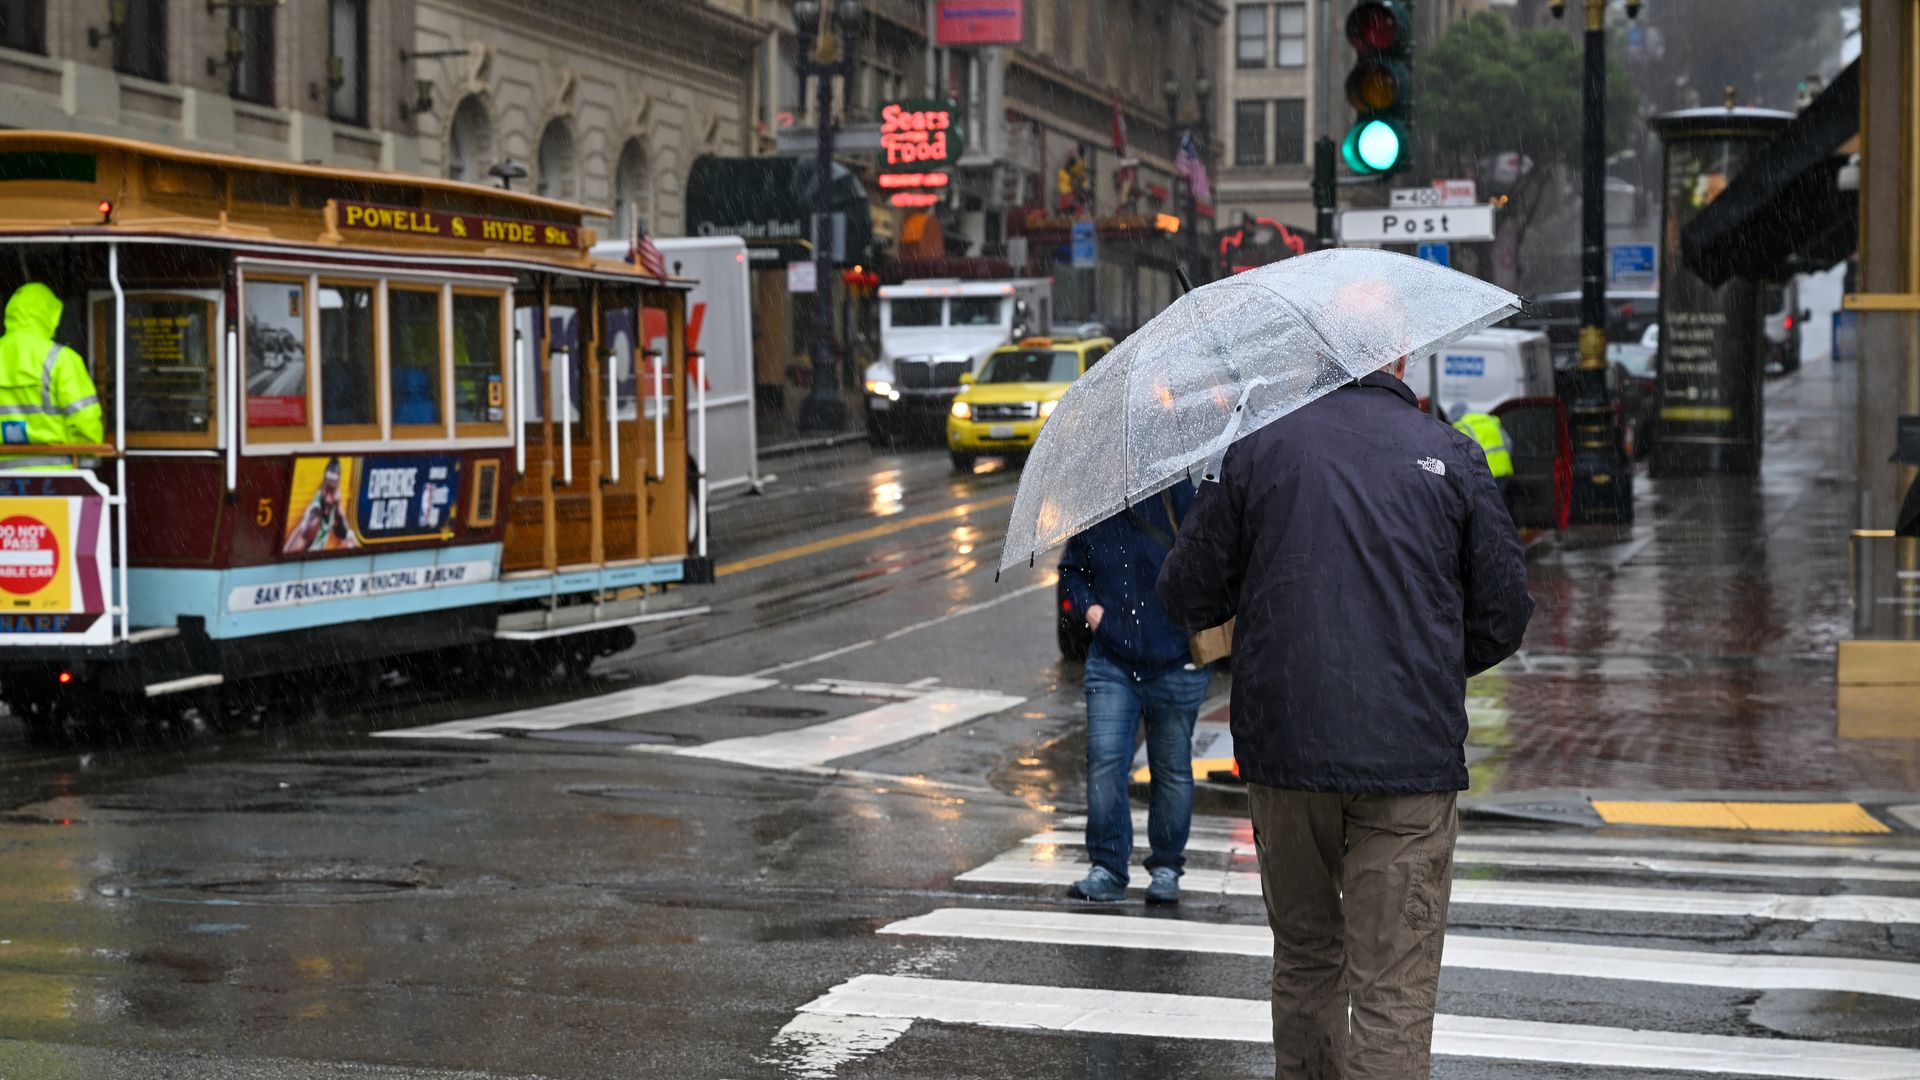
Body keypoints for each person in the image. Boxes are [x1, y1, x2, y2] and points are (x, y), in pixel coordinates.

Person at [1157, 356, 1533, 1079]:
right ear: (1398, 358)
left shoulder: (1258, 450)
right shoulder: (1451, 453)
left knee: (1305, 958)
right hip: (1408, 759)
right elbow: (1504, 612)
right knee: (1393, 983)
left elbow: (1185, 594)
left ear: (1316, 357)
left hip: (1286, 748)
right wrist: (1428, 667)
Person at [1058, 486, 1212, 906]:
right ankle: (1107, 867)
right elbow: (1072, 571)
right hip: (1112, 660)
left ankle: (1166, 868)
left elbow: (1214, 567)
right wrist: (1091, 610)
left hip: (1175, 659)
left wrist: (1181, 622)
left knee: (1172, 769)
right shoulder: (1095, 507)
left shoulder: (1182, 497)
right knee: (1105, 762)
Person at [0, 283, 102, 468]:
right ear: (47, 315)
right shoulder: (62, 360)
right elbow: (84, 420)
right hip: (55, 481)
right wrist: (87, 461)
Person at [283, 457, 360, 554]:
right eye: (327, 489)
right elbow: (289, 559)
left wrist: (348, 535)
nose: (328, 497)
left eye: (332, 490)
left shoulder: (335, 502)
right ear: (323, 485)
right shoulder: (313, 521)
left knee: (349, 544)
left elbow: (343, 532)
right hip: (301, 567)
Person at [1450, 403, 1514, 501]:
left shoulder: (1460, 426)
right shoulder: (1489, 419)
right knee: (1500, 504)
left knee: (1485, 506)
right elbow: (1508, 443)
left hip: (1483, 473)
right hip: (1503, 470)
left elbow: (1460, 455)